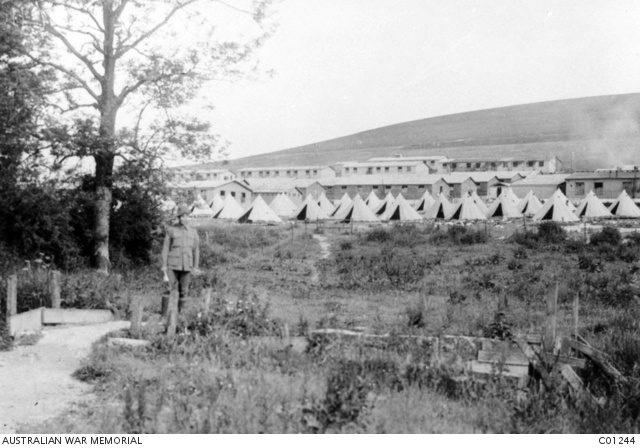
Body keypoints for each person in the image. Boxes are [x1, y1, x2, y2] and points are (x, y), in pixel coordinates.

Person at [161, 203, 201, 314]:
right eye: (182, 216)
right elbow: (165, 249)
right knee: (168, 289)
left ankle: (181, 318)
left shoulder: (193, 231)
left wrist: (196, 267)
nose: (184, 218)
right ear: (178, 217)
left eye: (186, 216)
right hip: (172, 265)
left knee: (184, 292)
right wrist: (164, 266)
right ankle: (163, 316)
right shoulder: (171, 230)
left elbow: (196, 249)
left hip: (187, 266)